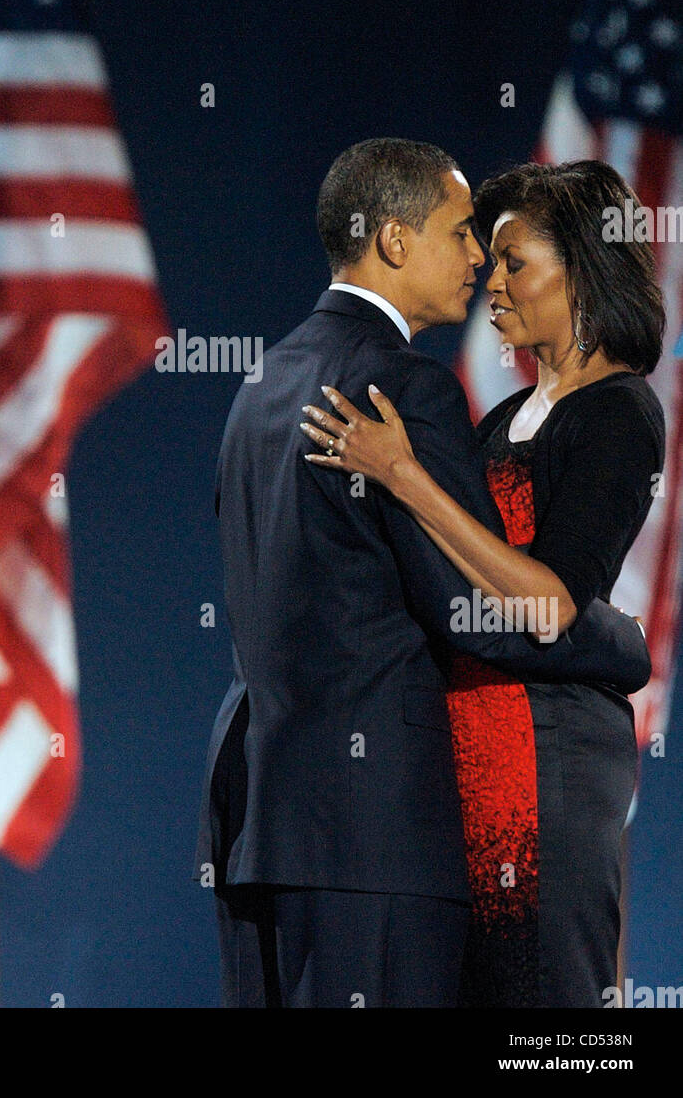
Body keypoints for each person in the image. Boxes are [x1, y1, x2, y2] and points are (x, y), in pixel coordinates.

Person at [193, 138, 651, 1008]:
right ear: (395, 242)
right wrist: (622, 647)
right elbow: (467, 612)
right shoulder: (406, 388)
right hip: (373, 826)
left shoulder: (262, 382)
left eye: (508, 255)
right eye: (467, 238)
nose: (480, 263)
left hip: (264, 806)